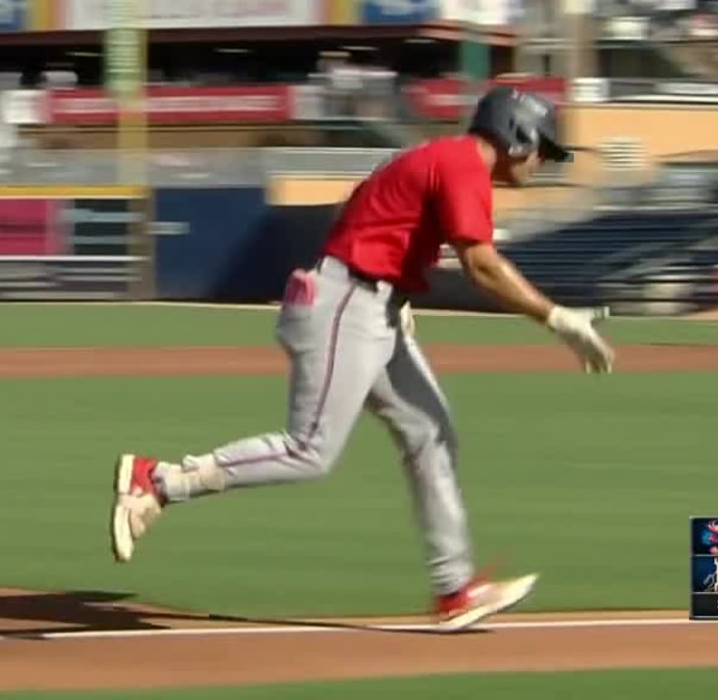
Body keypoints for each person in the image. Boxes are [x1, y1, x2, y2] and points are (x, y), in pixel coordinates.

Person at [109, 85, 615, 632]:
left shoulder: (438, 159)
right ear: (516, 134)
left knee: (430, 433)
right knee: (310, 451)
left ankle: (454, 590)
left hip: (368, 304)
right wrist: (556, 318)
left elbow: (353, 207)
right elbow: (482, 266)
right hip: (346, 305)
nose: (544, 160)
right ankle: (157, 481)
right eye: (543, 147)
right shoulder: (461, 163)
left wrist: (392, 281)